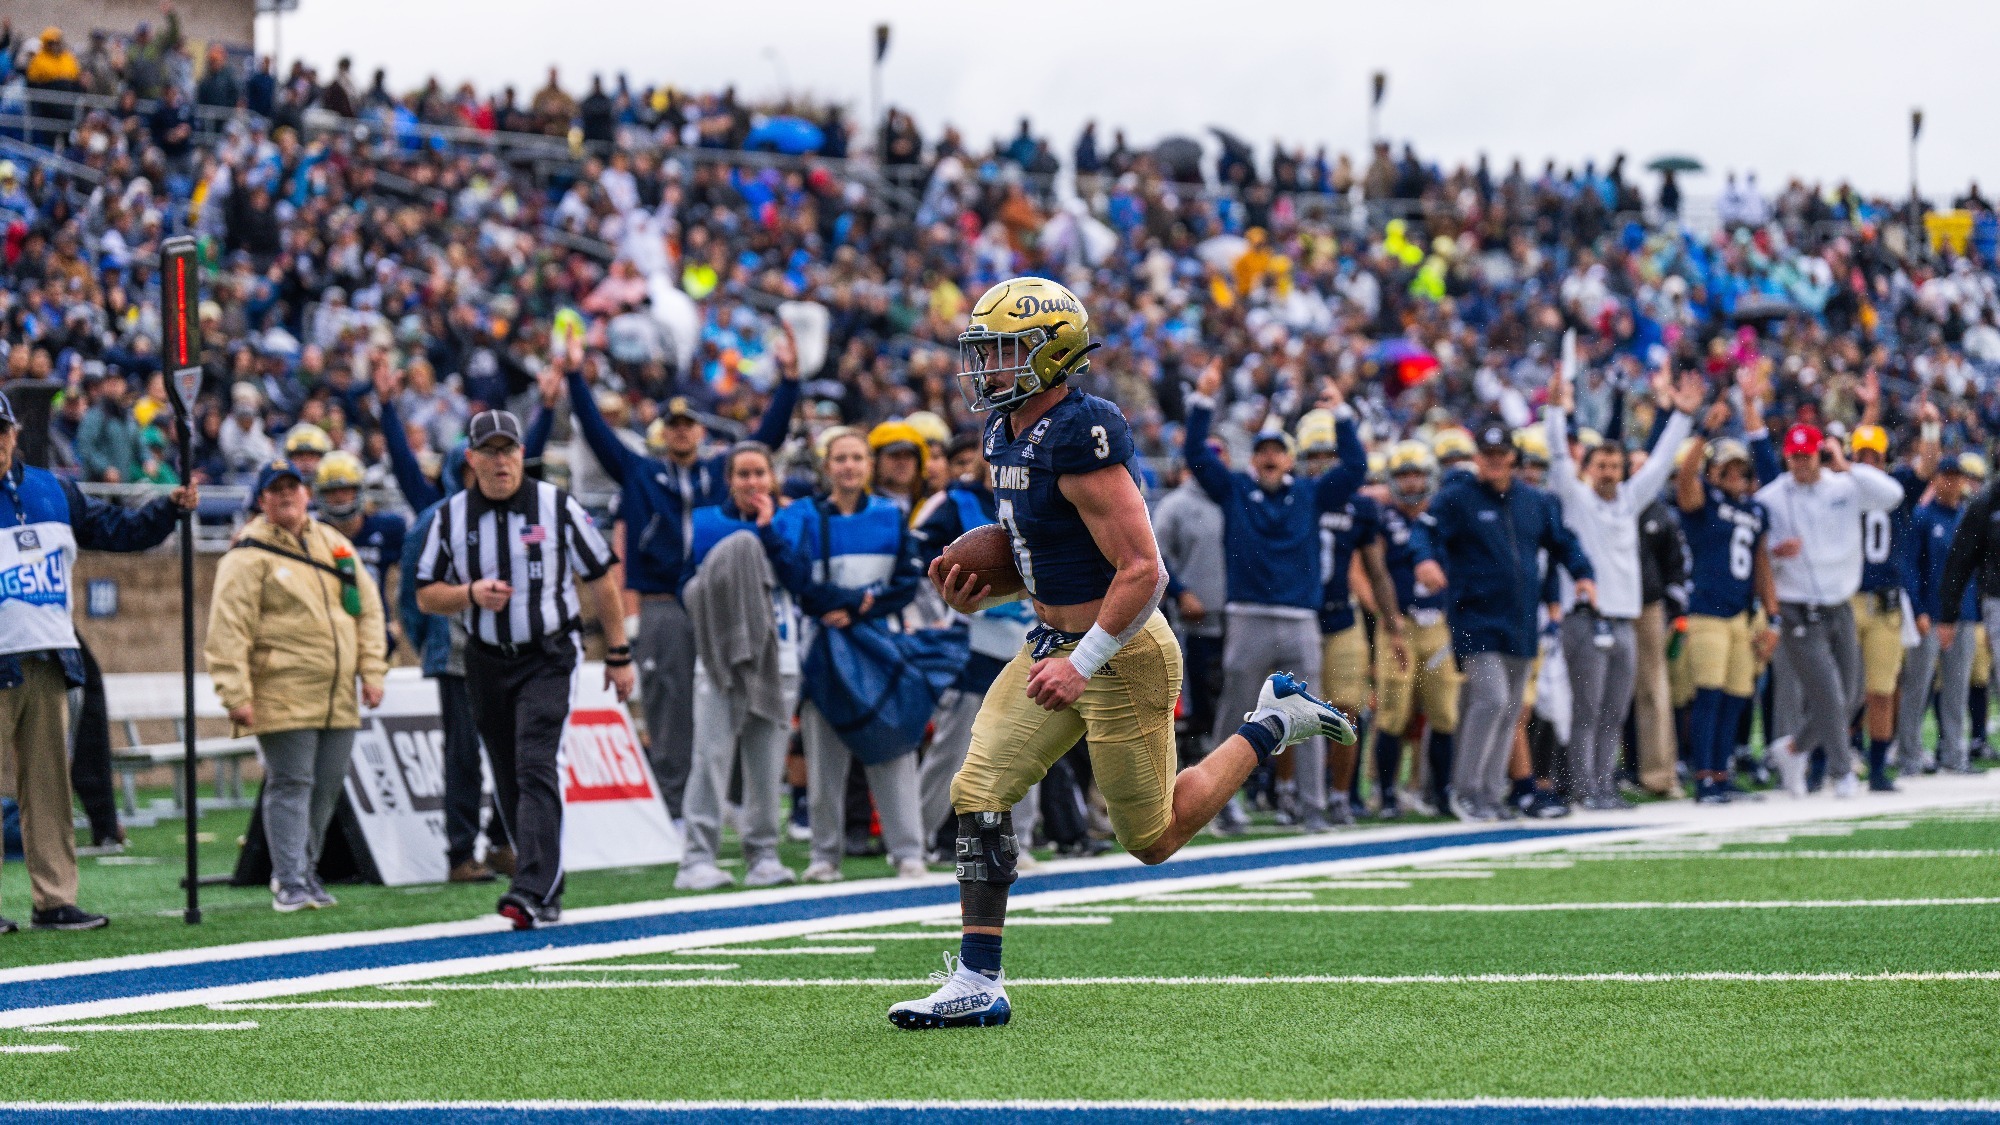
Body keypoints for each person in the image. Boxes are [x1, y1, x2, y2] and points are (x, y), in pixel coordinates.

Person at [890, 278, 1351, 1029]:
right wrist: (987, 581)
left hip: (1124, 649)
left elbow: (1145, 569)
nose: (989, 367)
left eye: (1005, 350)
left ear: (1053, 353)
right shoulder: (1003, 432)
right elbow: (1042, 548)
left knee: (1153, 836)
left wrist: (1083, 662)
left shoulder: (1084, 430)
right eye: (987, 351)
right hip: (1050, 643)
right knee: (977, 790)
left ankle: (1272, 721)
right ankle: (978, 978)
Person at [545, 340, 799, 820]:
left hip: (725, 597)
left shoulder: (719, 473)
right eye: (674, 425)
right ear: (663, 432)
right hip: (664, 600)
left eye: (689, 424)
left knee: (740, 693)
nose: (682, 433)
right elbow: (599, 435)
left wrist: (788, 384)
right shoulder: (641, 472)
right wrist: (577, 378)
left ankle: (736, 801)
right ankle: (676, 807)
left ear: (701, 430)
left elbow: (766, 439)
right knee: (668, 701)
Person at [414, 409, 633, 930]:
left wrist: (619, 653)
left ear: (521, 454)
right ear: (471, 459)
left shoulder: (556, 505)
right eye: (488, 452)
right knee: (508, 772)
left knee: (535, 761)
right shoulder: (449, 518)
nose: (500, 461)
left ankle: (530, 888)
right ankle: (547, 887)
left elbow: (601, 576)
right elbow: (425, 594)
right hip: (486, 660)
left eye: (508, 450)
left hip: (549, 653)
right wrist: (469, 594)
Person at [0, 390, 194, 932]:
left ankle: (54, 898)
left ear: (14, 434)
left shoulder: (55, 490)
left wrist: (165, 510)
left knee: (49, 788)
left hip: (47, 656)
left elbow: (117, 532)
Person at [1182, 359, 1366, 833]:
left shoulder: (1308, 493)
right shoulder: (1237, 488)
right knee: (1235, 713)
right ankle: (1219, 802)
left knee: (1313, 714)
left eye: (1276, 451)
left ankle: (1312, 805)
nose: (1268, 457)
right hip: (1248, 616)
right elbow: (1197, 456)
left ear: (1289, 458)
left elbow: (1356, 468)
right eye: (1261, 450)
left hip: (1300, 618)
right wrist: (1203, 399)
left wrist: (1342, 416)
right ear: (1253, 458)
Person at [207, 460, 388, 912]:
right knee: (291, 782)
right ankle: (288, 879)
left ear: (308, 493)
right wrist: (235, 693)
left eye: (293, 487)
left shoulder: (336, 545)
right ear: (261, 499)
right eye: (276, 490)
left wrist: (372, 669)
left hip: (336, 692)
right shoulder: (247, 555)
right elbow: (228, 628)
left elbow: (368, 609)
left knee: (325, 788)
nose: (287, 495)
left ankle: (305, 871)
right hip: (281, 688)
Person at [1542, 356, 1697, 809]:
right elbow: (1555, 456)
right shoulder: (1576, 501)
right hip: (1585, 617)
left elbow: (1663, 460)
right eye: (1602, 465)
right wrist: (1554, 411)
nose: (1610, 472)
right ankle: (1583, 786)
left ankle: (1603, 784)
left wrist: (1682, 415)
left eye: (1615, 465)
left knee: (1615, 710)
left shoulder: (1630, 501)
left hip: (1625, 619)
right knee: (1586, 710)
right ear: (1588, 469)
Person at [1425, 420, 1595, 820]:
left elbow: (1563, 542)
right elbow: (1426, 533)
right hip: (1476, 616)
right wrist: (1426, 560)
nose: (1494, 463)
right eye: (1487, 456)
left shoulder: (1535, 501)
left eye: (1501, 456)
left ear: (1513, 459)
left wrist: (1584, 573)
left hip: (1521, 620)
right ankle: (1465, 790)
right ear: (1477, 458)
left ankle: (1489, 791)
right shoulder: (1458, 498)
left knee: (1511, 707)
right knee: (1491, 700)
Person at [785, 428, 929, 883]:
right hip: (823, 648)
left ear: (868, 465)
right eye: (840, 459)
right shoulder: (805, 516)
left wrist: (859, 608)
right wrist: (844, 605)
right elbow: (793, 576)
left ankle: (908, 850)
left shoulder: (891, 516)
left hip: (878, 647)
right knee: (823, 754)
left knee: (894, 748)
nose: (848, 466)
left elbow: (907, 581)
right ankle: (824, 854)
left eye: (857, 458)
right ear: (827, 466)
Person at [675, 442, 808, 891]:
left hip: (780, 657)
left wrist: (768, 531)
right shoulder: (706, 523)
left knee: (766, 763)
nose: (752, 483)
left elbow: (801, 580)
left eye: (759, 473)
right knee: (710, 759)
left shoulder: (789, 520)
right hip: (719, 660)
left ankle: (763, 856)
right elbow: (684, 585)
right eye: (742, 474)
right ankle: (696, 858)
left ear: (772, 478)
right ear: (729, 480)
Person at [1756, 423, 1906, 799]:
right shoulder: (1772, 497)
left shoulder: (1843, 487)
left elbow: (1893, 495)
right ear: (1787, 457)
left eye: (1808, 457)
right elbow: (1757, 551)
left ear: (1820, 455)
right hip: (1797, 607)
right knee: (1827, 689)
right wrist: (1775, 553)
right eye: (1795, 457)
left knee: (1853, 692)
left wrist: (1847, 464)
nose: (1801, 465)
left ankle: (1793, 749)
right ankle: (1842, 773)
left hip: (1840, 603)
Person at [911, 432, 1039, 864]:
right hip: (973, 640)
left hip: (1029, 636)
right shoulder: (952, 502)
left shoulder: (1039, 495)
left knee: (1029, 743)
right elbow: (918, 561)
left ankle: (1019, 837)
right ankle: (917, 835)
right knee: (954, 744)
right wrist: (942, 610)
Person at [1302, 410, 1403, 825]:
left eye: (1331, 453)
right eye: (1315, 454)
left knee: (1346, 712)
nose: (1324, 462)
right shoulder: (1293, 497)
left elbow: (1377, 570)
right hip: (1300, 616)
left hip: (1343, 616)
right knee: (1295, 715)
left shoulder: (1360, 508)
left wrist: (1393, 626)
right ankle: (1293, 793)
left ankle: (1343, 795)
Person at [1675, 430, 1780, 803]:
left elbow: (1761, 563)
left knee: (1737, 696)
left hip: (1741, 614)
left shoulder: (1755, 510)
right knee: (1709, 695)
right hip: (1707, 611)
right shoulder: (1703, 502)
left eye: (1740, 468)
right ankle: (1704, 776)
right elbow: (1686, 480)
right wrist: (1701, 435)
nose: (1735, 474)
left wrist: (1774, 616)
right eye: (1727, 467)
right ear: (1713, 470)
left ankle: (1721, 772)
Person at [1371, 441, 1460, 818]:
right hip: (1399, 623)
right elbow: (1376, 573)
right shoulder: (1382, 518)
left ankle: (1441, 792)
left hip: (1438, 622)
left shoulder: (1445, 516)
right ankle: (1387, 793)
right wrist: (1390, 622)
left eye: (1417, 474)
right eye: (1404, 475)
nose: (1410, 483)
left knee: (1444, 713)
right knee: (1392, 711)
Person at [1900, 455, 1978, 778]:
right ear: (1935, 479)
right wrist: (1918, 609)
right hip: (1930, 614)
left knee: (1957, 687)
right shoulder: (1921, 516)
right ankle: (1909, 754)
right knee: (1917, 685)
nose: (1951, 482)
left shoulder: (1968, 517)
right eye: (1945, 476)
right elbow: (1910, 566)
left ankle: (1954, 753)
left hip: (1963, 613)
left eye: (1956, 476)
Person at [315, 450, 406, 650]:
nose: (339, 497)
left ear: (359, 490)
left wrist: (401, 622)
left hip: (375, 631)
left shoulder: (389, 528)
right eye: (331, 491)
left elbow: (409, 579)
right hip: (328, 635)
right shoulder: (312, 533)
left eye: (345, 489)